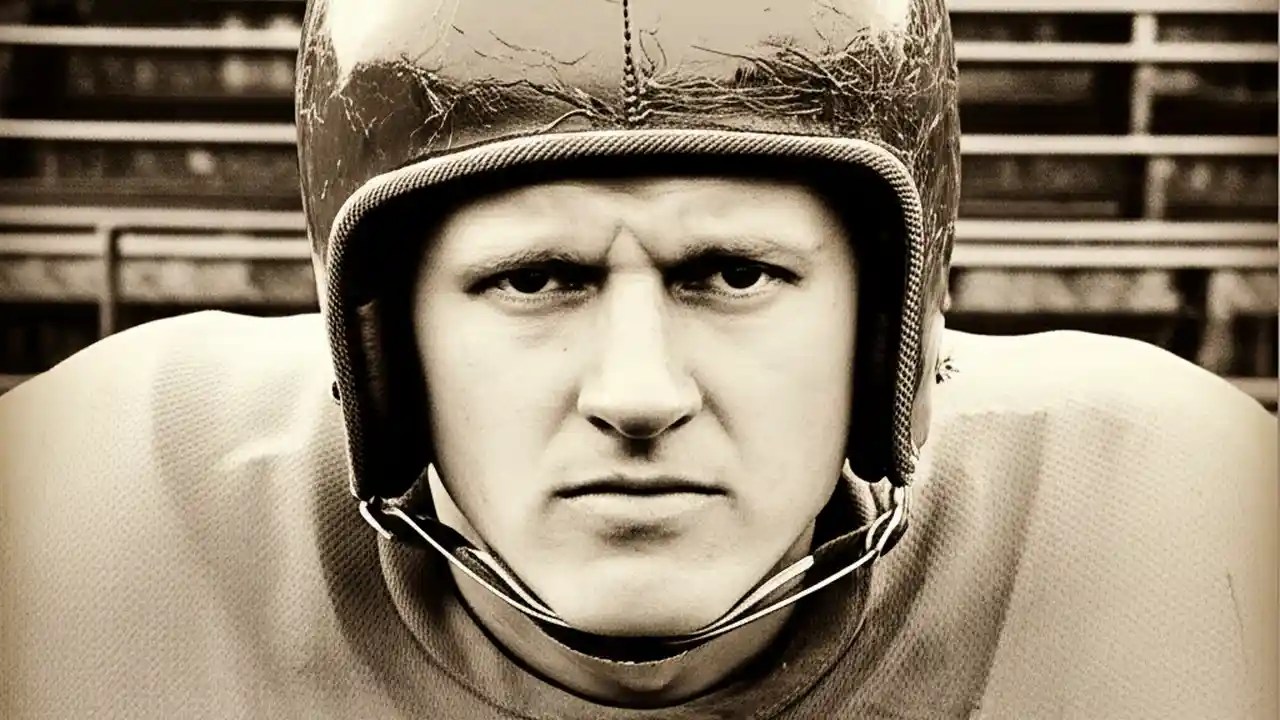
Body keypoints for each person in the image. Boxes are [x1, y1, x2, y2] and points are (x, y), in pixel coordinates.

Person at [2, 0, 1275, 717]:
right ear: (381, 344)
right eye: (533, 279)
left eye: (732, 274)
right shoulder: (82, 523)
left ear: (888, 321)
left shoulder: (1179, 531)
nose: (637, 394)